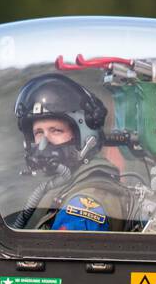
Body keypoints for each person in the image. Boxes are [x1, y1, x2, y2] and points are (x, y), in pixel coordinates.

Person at [12, 74, 129, 231]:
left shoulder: (83, 206)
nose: (44, 144)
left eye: (56, 131)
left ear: (84, 136)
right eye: (39, 133)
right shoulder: (66, 186)